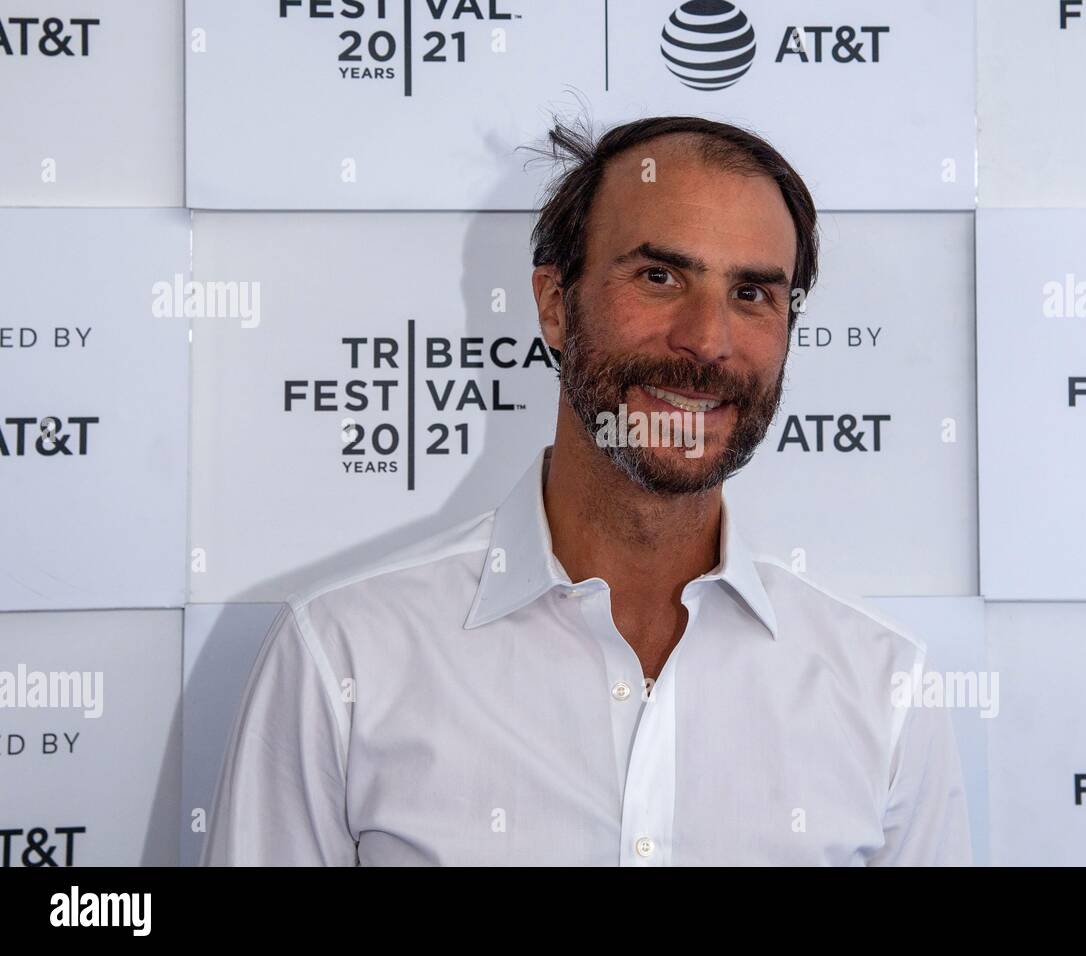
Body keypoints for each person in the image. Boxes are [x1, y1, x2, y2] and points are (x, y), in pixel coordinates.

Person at [203, 115, 971, 866]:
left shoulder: (885, 689)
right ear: (554, 305)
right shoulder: (345, 655)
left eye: (752, 293)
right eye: (660, 277)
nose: (708, 339)